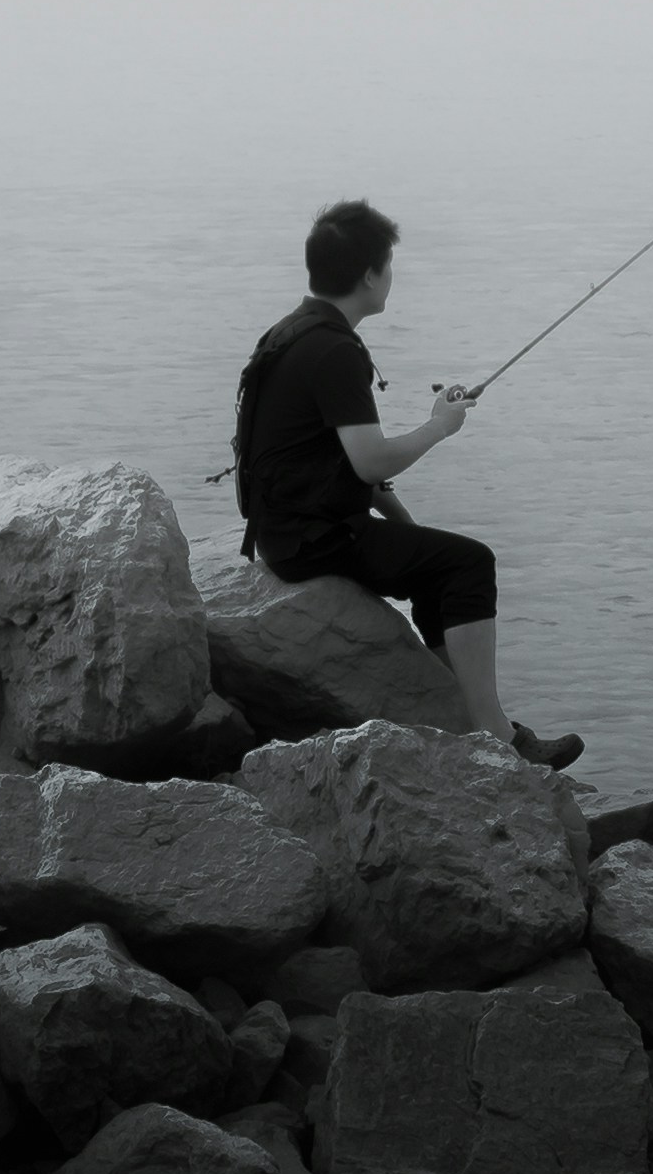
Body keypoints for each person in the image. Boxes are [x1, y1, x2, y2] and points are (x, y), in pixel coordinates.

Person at [235, 196, 580, 769]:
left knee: (436, 568)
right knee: (471, 563)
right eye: (388, 265)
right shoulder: (335, 351)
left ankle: (467, 715)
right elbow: (370, 463)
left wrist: (406, 530)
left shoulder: (294, 331)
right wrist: (438, 427)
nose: (390, 276)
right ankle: (498, 735)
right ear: (369, 274)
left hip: (284, 529)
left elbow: (331, 458)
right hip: (312, 541)